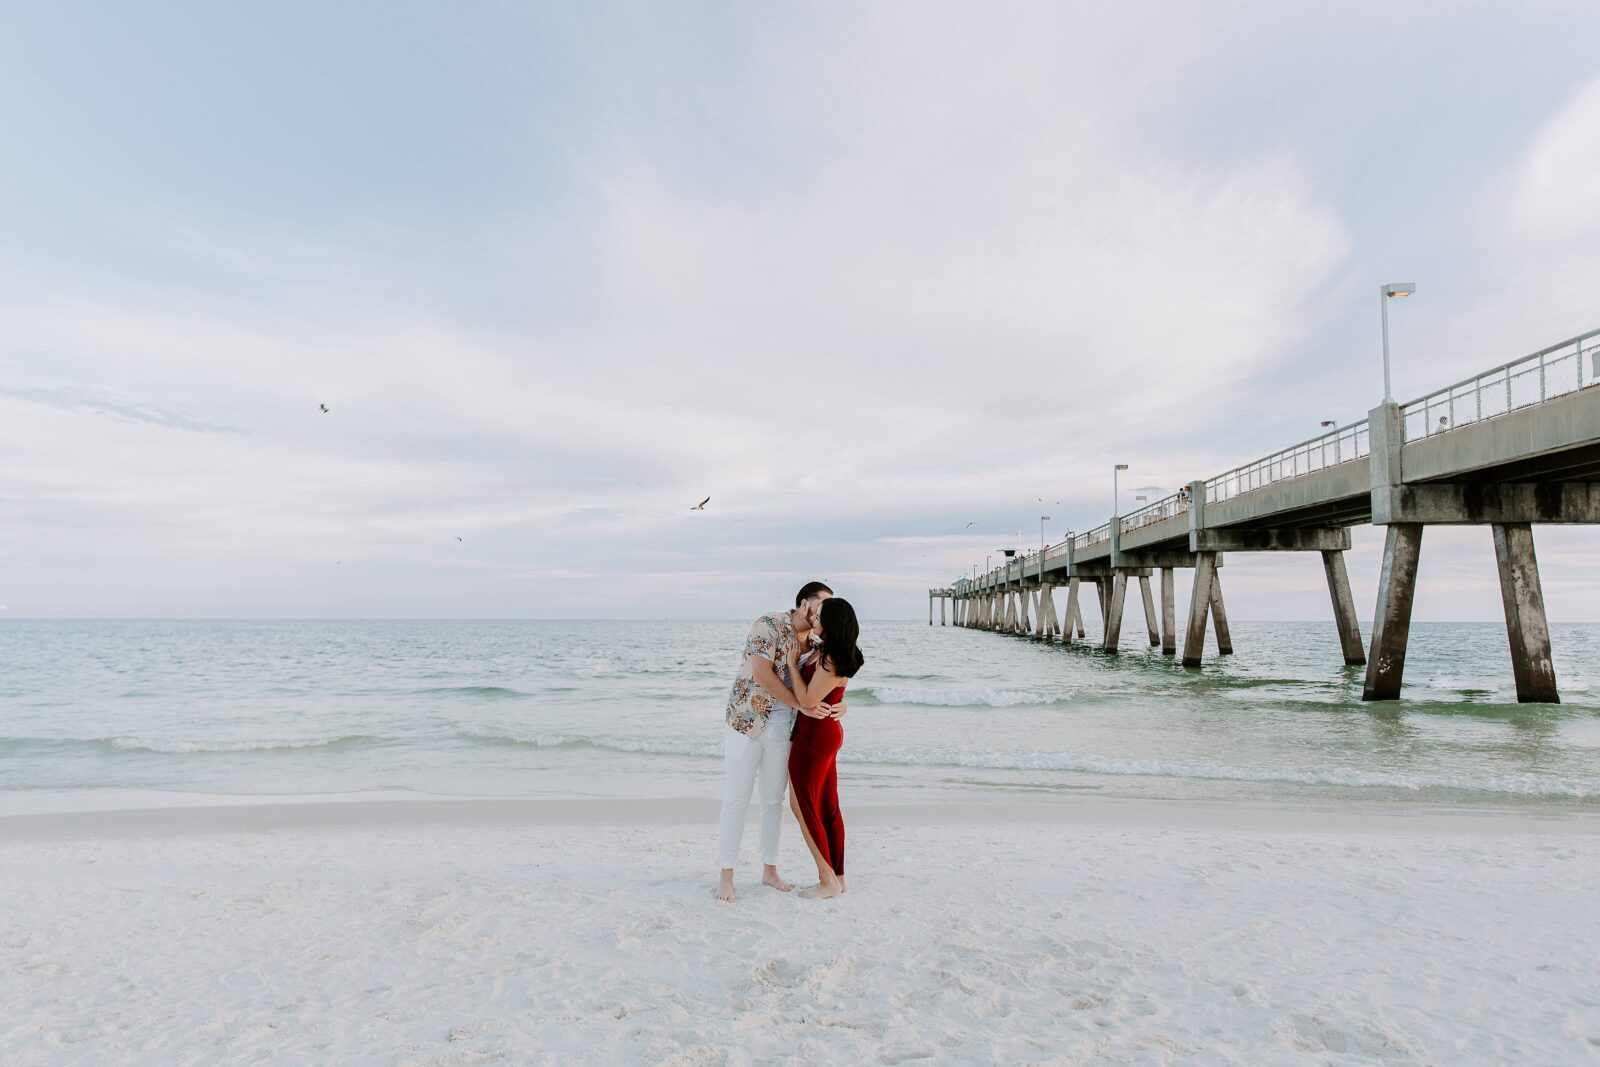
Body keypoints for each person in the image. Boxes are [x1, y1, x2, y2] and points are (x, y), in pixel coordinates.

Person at [713, 581, 845, 903]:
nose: (822, 612)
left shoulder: (815, 640)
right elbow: (761, 674)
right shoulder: (768, 624)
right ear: (803, 604)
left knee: (773, 801)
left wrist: (843, 703)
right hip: (747, 721)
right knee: (737, 799)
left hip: (785, 727)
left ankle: (769, 870)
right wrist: (802, 704)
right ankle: (725, 877)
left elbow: (832, 677)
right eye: (820, 605)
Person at [784, 597, 865, 900]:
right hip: (824, 733)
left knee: (802, 806)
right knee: (827, 806)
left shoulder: (831, 659)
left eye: (818, 617)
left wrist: (792, 665)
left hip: (814, 737)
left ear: (831, 624)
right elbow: (826, 693)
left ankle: (826, 878)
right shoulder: (830, 653)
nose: (813, 620)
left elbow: (806, 701)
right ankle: (838, 877)